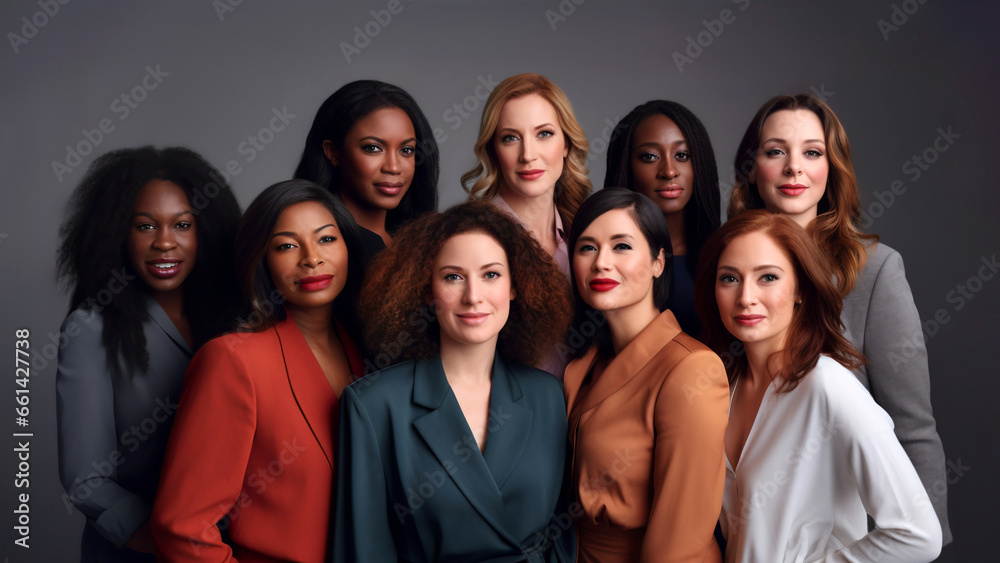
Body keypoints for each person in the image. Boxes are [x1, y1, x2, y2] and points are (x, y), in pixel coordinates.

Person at [727, 93, 950, 542]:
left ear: (833, 169)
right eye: (776, 151)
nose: (794, 168)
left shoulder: (875, 270)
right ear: (753, 168)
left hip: (850, 533)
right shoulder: (727, 268)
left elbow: (913, 426)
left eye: (812, 152)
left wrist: (926, 544)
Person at [333, 202, 575, 562]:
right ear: (427, 290)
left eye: (491, 275)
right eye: (453, 277)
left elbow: (563, 534)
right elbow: (363, 549)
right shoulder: (372, 405)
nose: (473, 296)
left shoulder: (548, 395)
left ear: (514, 286)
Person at [694, 210, 942, 562]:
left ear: (800, 291)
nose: (746, 296)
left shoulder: (828, 385)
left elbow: (917, 534)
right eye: (729, 278)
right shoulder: (725, 386)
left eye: (767, 277)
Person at [151, 180, 367, 562]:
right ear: (261, 260)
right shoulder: (233, 361)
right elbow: (182, 528)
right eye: (286, 245)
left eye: (326, 239)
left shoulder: (366, 351)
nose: (311, 258)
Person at [55, 146, 242, 562]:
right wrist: (177, 543)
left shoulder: (237, 318)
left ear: (205, 230)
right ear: (117, 234)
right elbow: (88, 481)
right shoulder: (91, 328)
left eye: (181, 225)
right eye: (144, 226)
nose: (164, 243)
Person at [563, 188, 729, 562]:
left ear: (658, 262)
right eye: (587, 247)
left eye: (621, 246)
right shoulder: (583, 364)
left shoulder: (691, 368)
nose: (601, 262)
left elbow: (681, 539)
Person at [604, 100, 721, 335]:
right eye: (649, 157)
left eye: (682, 155)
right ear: (626, 164)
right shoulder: (601, 258)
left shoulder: (723, 255)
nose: (669, 171)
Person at [461, 72, 592, 279]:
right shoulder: (470, 237)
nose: (528, 155)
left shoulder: (585, 234)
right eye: (510, 138)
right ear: (493, 149)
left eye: (544, 134)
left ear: (566, 144)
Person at [294, 79, 438, 260]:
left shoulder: (424, 243)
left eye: (406, 150)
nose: (393, 167)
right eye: (373, 148)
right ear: (333, 152)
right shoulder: (319, 249)